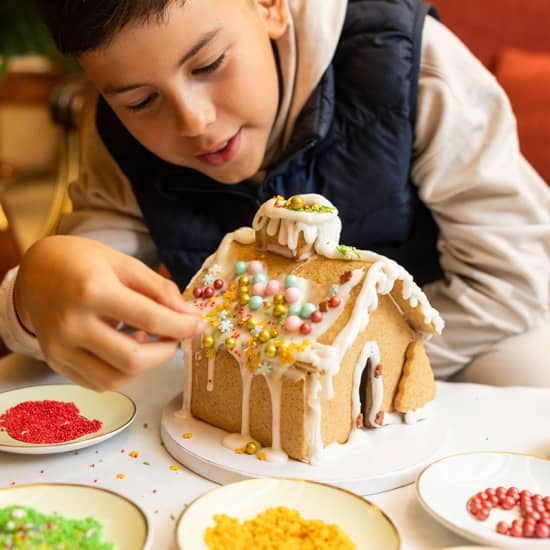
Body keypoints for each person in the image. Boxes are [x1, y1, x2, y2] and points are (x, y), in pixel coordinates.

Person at [1, 0, 549, 391]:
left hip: (453, 341)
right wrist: (33, 295)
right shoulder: (120, 139)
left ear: (270, 5)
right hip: (251, 385)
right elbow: (89, 298)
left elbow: (518, 281)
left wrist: (343, 366)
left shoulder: (414, 67)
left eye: (209, 65)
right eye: (142, 100)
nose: (195, 121)